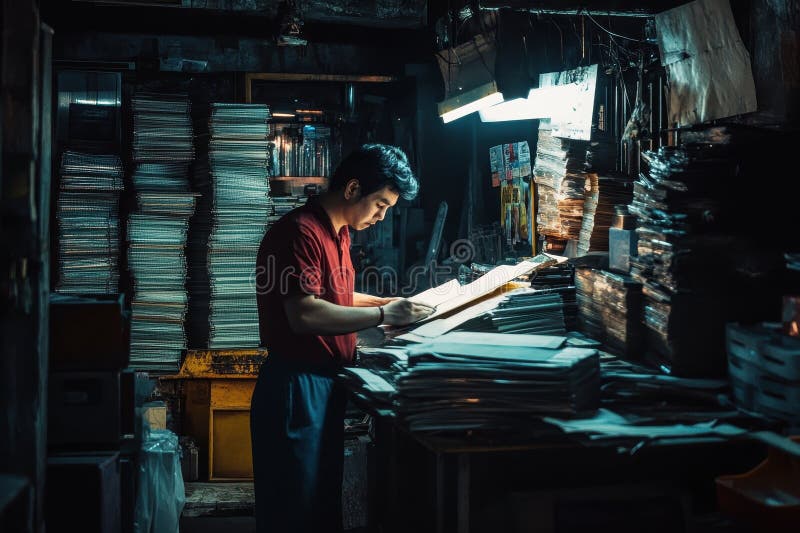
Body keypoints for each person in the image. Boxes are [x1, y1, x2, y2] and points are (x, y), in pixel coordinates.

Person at [251, 143, 434, 533]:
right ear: (353, 189)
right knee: (294, 507)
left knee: (319, 503)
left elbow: (332, 295)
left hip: (324, 383)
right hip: (296, 387)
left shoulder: (338, 232)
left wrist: (385, 300)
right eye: (380, 205)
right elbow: (304, 313)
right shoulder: (299, 232)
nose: (381, 217)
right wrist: (384, 314)